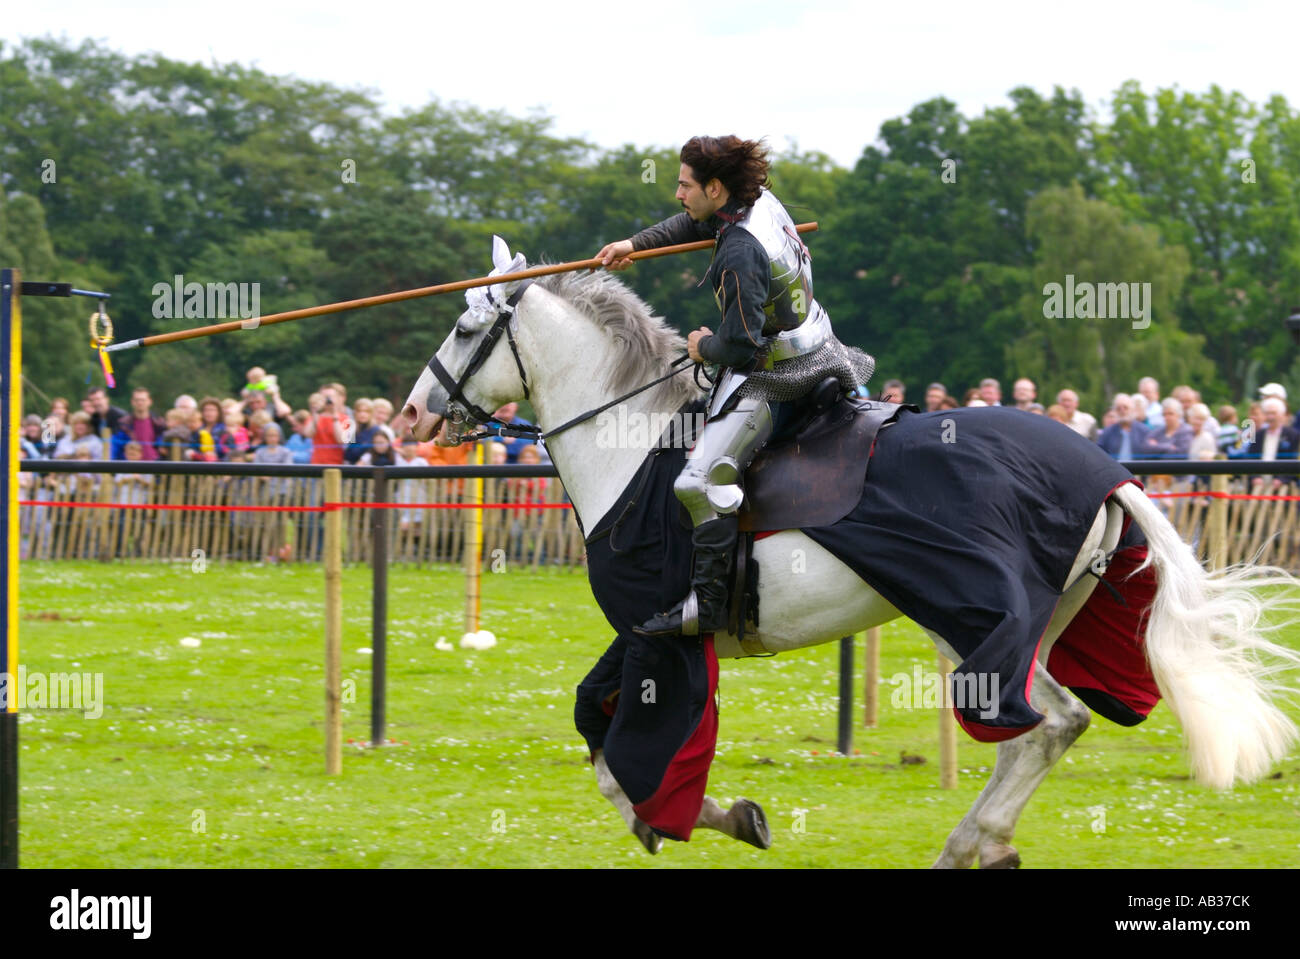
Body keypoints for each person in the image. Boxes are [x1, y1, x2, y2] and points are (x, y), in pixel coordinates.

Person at [595, 134, 873, 637]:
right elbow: (692, 220)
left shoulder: (740, 251)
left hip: (778, 374)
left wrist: (701, 347)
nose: (678, 194)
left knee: (697, 481)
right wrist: (634, 245)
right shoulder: (757, 200)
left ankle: (708, 605)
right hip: (820, 343)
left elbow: (741, 347)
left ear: (716, 188)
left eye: (685, 185)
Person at [1096, 393, 1150, 461]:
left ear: (1132, 409)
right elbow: (1099, 453)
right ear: (1115, 411)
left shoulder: (1144, 431)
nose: (1122, 411)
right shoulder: (1107, 432)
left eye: (1125, 407)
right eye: (1118, 408)